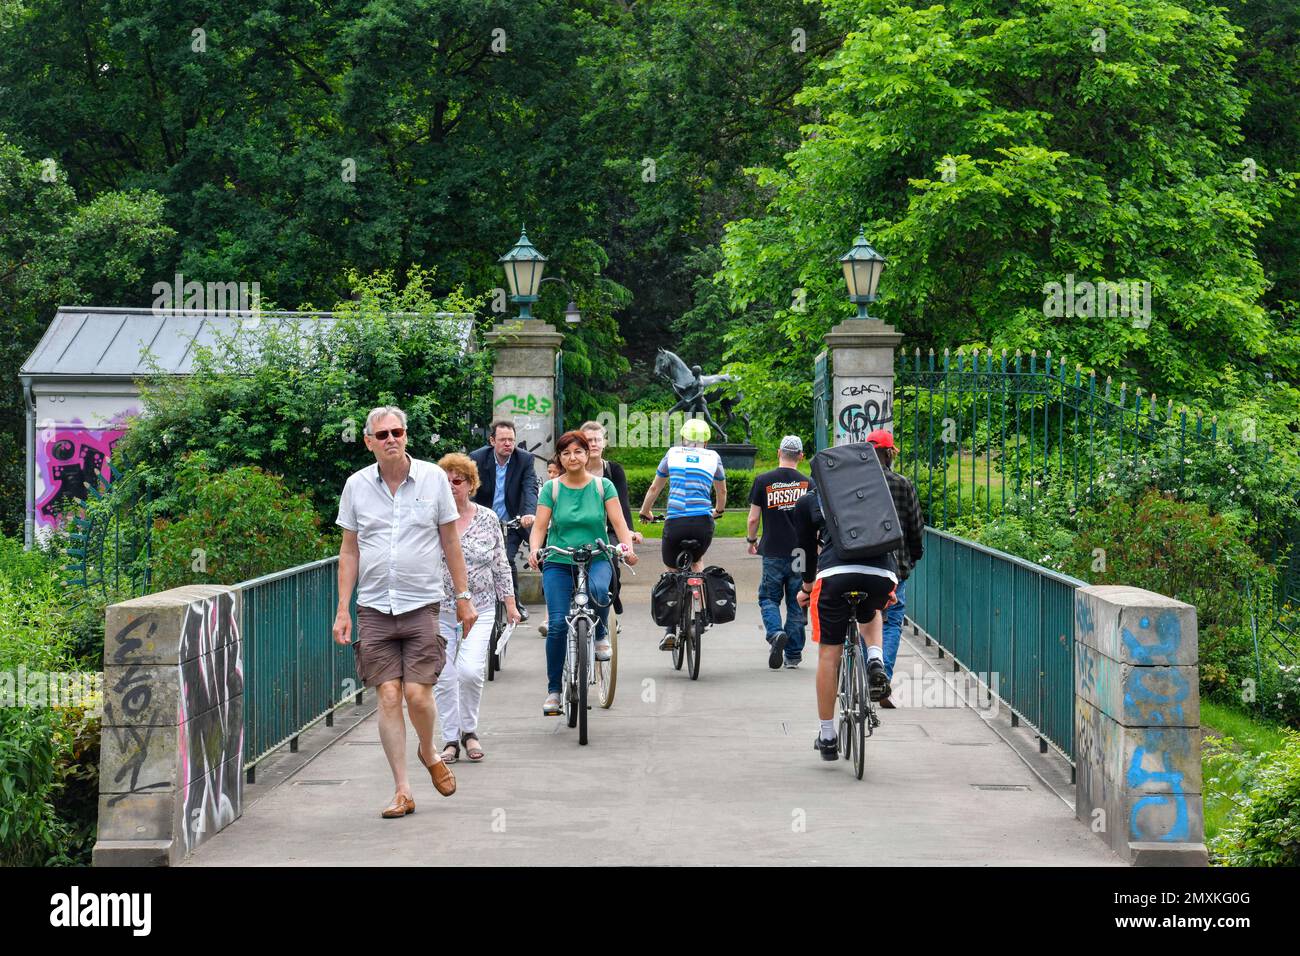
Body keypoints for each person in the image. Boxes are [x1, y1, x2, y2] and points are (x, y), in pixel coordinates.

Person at [333, 406, 470, 817]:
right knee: (389, 695)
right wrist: (343, 610)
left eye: (398, 431)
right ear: (369, 441)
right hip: (373, 607)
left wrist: (463, 596)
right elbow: (349, 549)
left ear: (406, 436)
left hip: (421, 603)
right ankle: (402, 789)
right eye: (383, 434)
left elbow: (450, 542)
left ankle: (429, 751)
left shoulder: (432, 479)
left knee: (417, 694)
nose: (392, 439)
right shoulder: (356, 486)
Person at [792, 453, 897, 761]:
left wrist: (806, 588)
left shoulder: (810, 501)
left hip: (834, 576)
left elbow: (803, 550)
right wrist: (891, 582)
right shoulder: (877, 490)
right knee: (872, 611)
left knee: (829, 653)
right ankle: (875, 659)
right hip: (881, 573)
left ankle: (827, 735)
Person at [528, 431, 639, 716]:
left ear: (587, 454)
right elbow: (540, 526)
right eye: (566, 453)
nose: (572, 457)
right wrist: (535, 550)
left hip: (596, 556)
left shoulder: (603, 486)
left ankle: (601, 633)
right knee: (556, 624)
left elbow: (619, 522)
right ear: (560, 458)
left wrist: (625, 549)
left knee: (601, 592)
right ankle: (554, 691)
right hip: (559, 559)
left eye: (578, 451)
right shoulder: (551, 488)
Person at [433, 453, 520, 764]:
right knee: (444, 674)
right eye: (445, 482)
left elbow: (500, 563)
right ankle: (450, 739)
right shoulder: (432, 518)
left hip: (481, 607)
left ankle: (470, 731)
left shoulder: (487, 518)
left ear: (470, 485)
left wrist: (509, 603)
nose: (451, 487)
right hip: (440, 608)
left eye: (457, 481)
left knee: (469, 671)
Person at [638, 418, 726, 651]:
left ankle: (669, 630)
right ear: (706, 441)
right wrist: (718, 510)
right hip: (702, 522)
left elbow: (655, 488)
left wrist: (645, 512)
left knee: (671, 571)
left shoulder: (673, 453)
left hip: (676, 522)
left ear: (684, 438)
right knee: (697, 561)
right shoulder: (713, 458)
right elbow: (721, 490)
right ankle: (703, 613)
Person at [865, 429, 926, 708]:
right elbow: (915, 527)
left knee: (864, 617)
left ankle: (863, 666)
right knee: (891, 621)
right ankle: (882, 677)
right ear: (889, 454)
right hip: (894, 567)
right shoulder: (903, 484)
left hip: (860, 562)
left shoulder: (856, 485)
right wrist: (914, 556)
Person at [747, 435, 815, 670]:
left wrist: (751, 540)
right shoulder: (808, 484)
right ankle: (793, 655)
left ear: (778, 453)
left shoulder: (763, 481)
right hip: (800, 553)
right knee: (798, 602)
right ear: (801, 456)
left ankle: (776, 633)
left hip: (773, 551)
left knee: (768, 597)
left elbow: (754, 518)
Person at [580, 420, 644, 644]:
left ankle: (609, 604)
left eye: (597, 439)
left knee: (612, 562)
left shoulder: (613, 470)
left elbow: (623, 504)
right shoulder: (574, 466)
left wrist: (630, 536)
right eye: (589, 440)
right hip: (580, 529)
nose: (594, 444)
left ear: (604, 442)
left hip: (609, 529)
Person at [469, 420, 539, 622]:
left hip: (512, 522)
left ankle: (515, 604)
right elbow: (471, 489)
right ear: (492, 441)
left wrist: (528, 513)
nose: (508, 444)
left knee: (506, 560)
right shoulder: (477, 458)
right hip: (483, 522)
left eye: (511, 440)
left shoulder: (524, 459)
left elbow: (530, 487)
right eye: (503, 440)